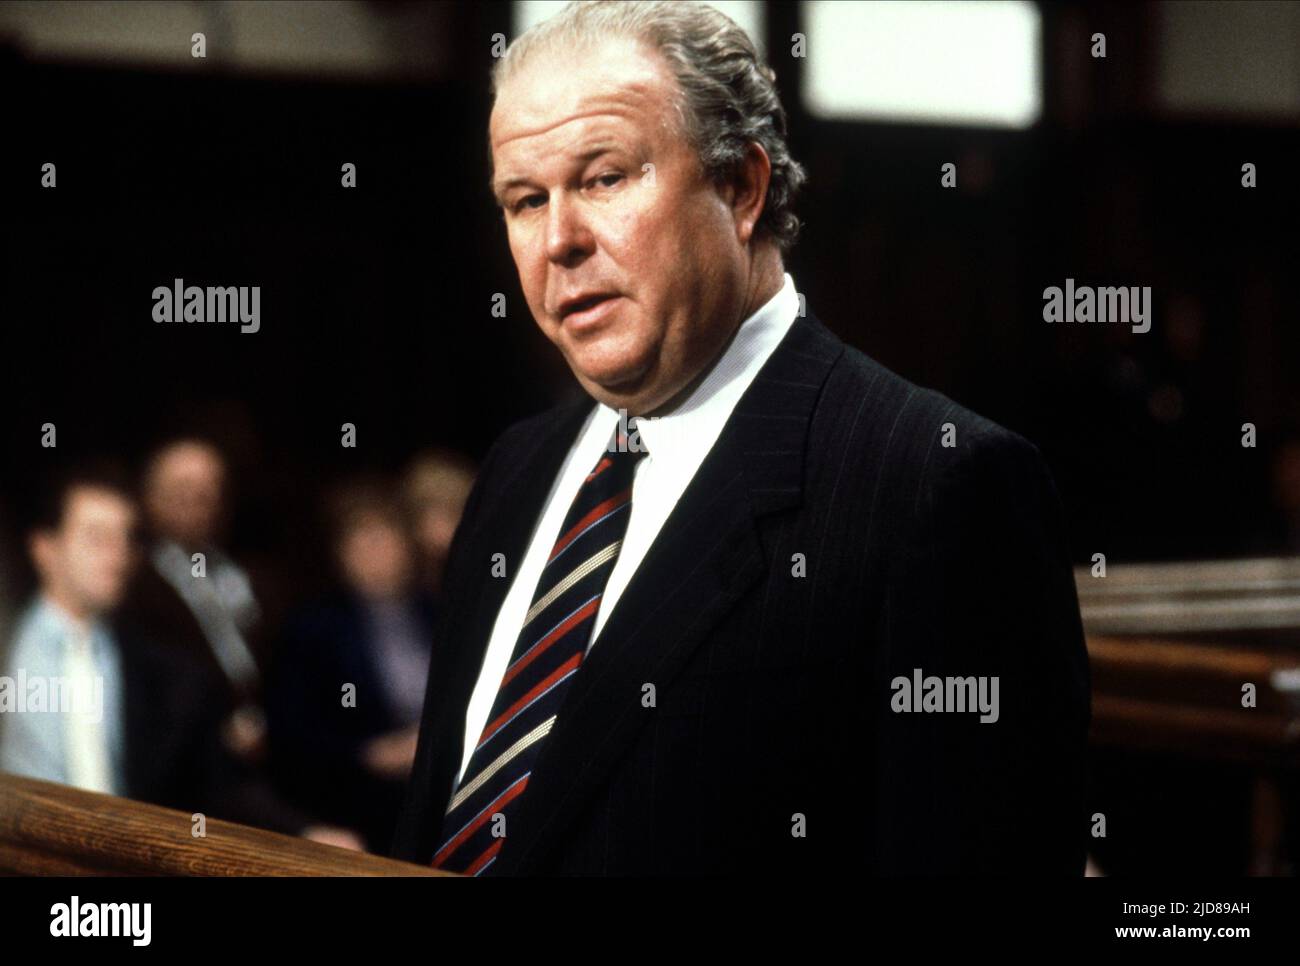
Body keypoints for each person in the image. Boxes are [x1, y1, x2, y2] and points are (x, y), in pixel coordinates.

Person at [392, 0, 1090, 876]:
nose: (560, 241)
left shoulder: (936, 484)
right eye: (526, 200)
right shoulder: (516, 470)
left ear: (743, 188)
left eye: (604, 178)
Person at [0, 468, 359, 847]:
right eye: (97, 538)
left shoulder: (159, 668)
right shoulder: (13, 649)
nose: (118, 555)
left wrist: (303, 831)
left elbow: (215, 780)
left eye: (126, 538)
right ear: (45, 548)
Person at [267, 480, 437, 852]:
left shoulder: (437, 614)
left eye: (383, 538)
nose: (373, 553)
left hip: (438, 793)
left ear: (408, 545)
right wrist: (369, 754)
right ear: (338, 554)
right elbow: (290, 736)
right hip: (355, 810)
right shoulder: (314, 628)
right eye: (358, 542)